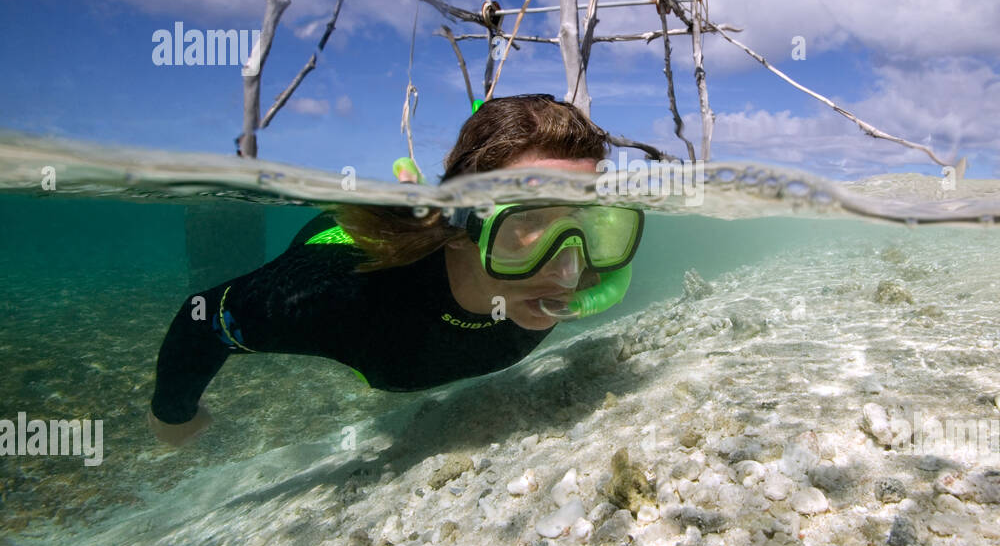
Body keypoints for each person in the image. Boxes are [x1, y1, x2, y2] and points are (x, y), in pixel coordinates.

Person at [147, 94, 644, 447]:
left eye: (584, 221)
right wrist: (173, 415)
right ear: (461, 223)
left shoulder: (585, 270)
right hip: (348, 239)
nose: (566, 266)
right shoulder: (342, 292)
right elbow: (203, 317)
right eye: (530, 219)